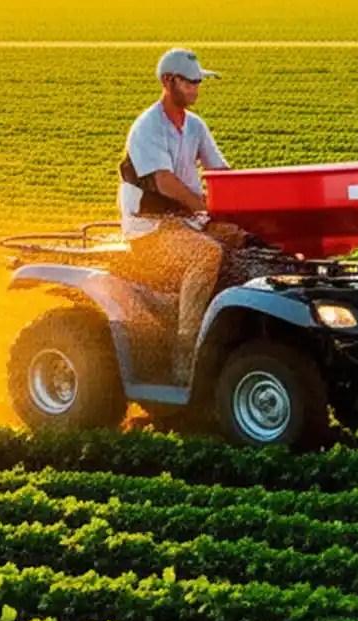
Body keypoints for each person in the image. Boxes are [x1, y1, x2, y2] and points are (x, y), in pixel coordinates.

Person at [117, 47, 250, 384]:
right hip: (151, 229)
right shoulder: (147, 127)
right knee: (206, 254)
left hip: (187, 221)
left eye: (198, 83)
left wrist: (248, 202)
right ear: (167, 81)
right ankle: (186, 349)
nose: (195, 88)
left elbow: (219, 170)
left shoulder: (195, 126)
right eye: (189, 82)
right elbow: (164, 181)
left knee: (244, 239)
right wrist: (203, 205)